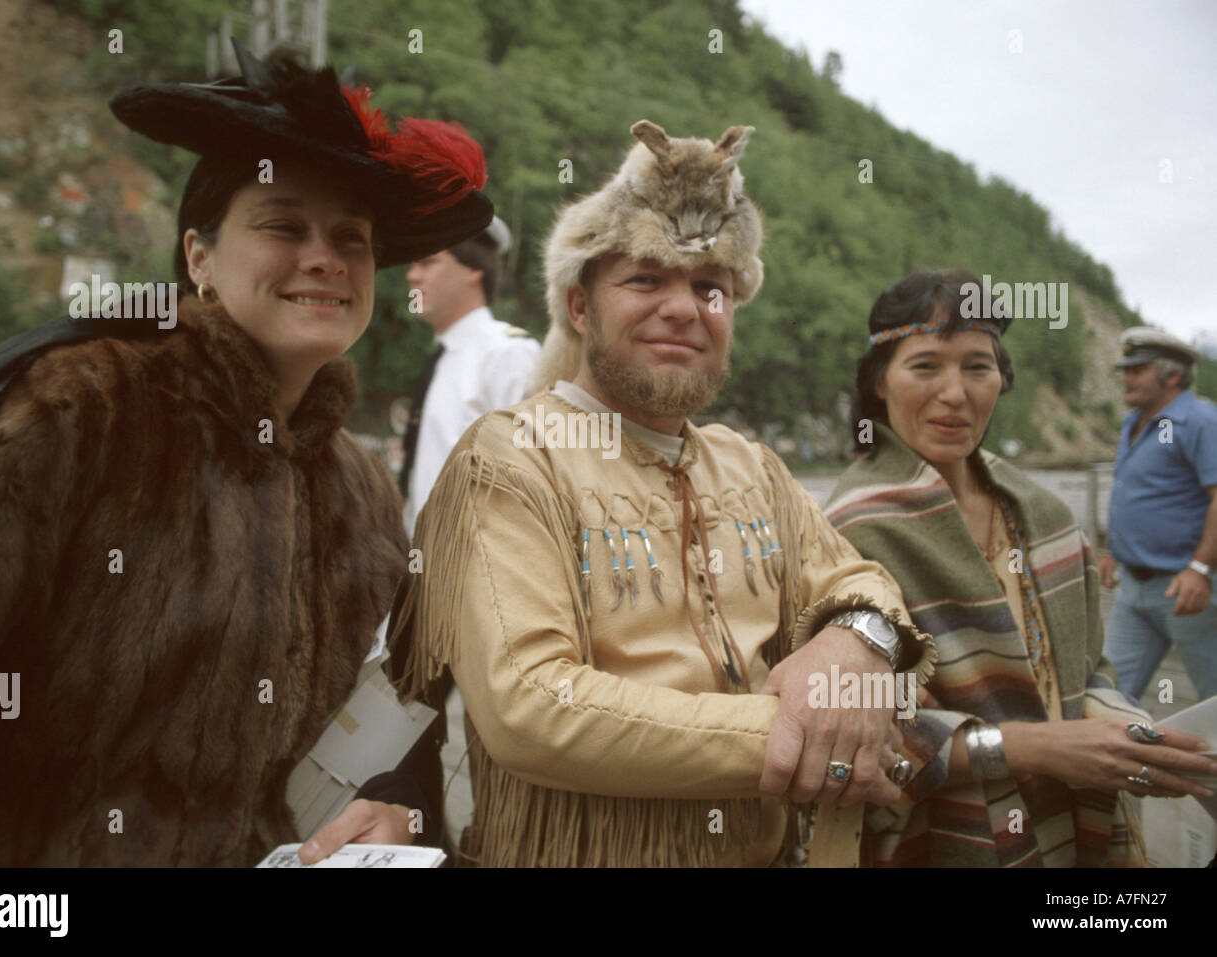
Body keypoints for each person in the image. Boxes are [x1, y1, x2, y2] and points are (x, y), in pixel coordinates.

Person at [0, 41, 493, 866]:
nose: (325, 258)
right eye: (283, 225)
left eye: (352, 238)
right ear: (198, 259)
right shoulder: (79, 412)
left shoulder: (361, 493)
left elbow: (374, 731)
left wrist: (392, 807)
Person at [388, 120, 936, 867]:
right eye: (646, 278)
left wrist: (858, 643)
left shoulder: (752, 467)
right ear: (580, 309)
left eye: (710, 287)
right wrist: (805, 732)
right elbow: (532, 704)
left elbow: (858, 580)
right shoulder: (508, 459)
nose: (684, 308)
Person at [824, 269, 1217, 867]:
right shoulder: (849, 533)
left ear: (1002, 379)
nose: (955, 393)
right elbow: (859, 731)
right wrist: (1038, 748)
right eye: (925, 365)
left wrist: (1133, 745)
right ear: (879, 380)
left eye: (977, 367)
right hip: (945, 840)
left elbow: (1090, 672)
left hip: (1068, 830)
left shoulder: (1044, 515)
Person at [399, 216, 540, 535]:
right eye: (412, 264)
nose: (412, 275)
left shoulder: (507, 354)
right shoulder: (445, 355)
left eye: (427, 263)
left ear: (474, 269)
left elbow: (531, 489)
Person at [1098, 327, 1217, 702]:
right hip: (1134, 588)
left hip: (1187, 590)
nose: (1126, 378)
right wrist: (1112, 551)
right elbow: (1137, 494)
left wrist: (1199, 569)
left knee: (1214, 700)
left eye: (1138, 369)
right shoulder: (1134, 422)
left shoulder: (1201, 421)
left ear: (1172, 376)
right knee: (1108, 695)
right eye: (1125, 369)